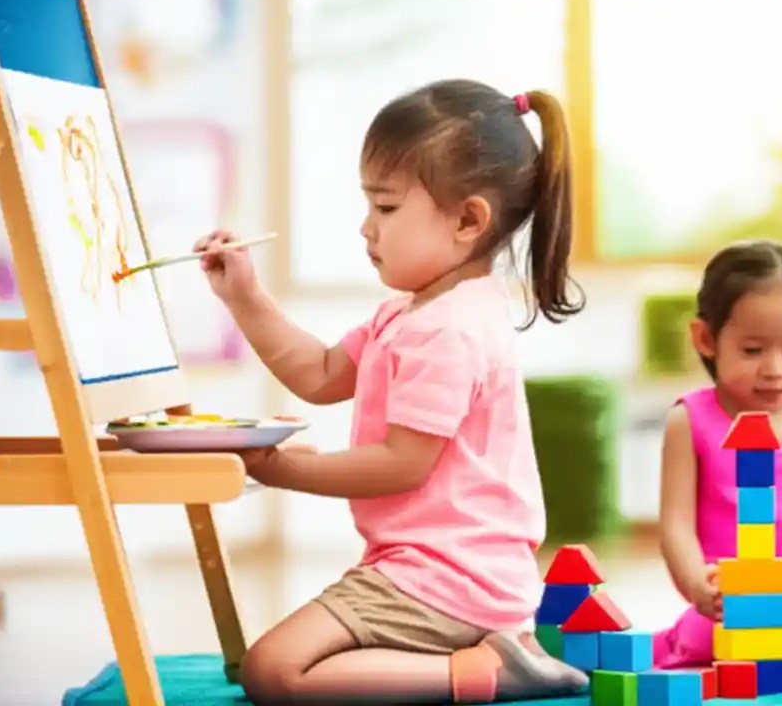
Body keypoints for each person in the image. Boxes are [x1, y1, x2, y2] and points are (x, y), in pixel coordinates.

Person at [194, 79, 589, 704]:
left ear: (467, 220)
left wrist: (283, 469)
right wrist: (244, 295)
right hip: (442, 572)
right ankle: (488, 654)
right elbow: (321, 374)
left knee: (273, 673)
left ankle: (489, 673)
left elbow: (404, 463)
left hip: (450, 579)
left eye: (385, 207)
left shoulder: (447, 329)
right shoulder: (414, 313)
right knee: (282, 663)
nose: (365, 228)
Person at [653, 239, 782, 675]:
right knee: (706, 632)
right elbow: (675, 525)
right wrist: (698, 585)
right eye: (753, 351)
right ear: (706, 339)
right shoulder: (690, 419)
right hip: (742, 598)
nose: (774, 369)